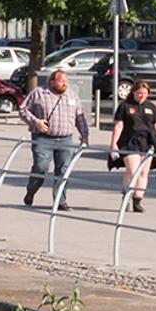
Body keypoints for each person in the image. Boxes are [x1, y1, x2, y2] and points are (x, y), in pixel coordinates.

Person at [21, 67, 92, 210]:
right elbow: (23, 110)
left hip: (65, 140)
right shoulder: (39, 93)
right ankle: (31, 191)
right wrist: (36, 122)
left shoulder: (72, 96)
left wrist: (84, 135)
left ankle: (60, 201)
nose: (64, 84)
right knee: (41, 167)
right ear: (52, 82)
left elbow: (80, 118)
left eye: (66, 81)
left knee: (63, 171)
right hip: (43, 139)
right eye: (61, 81)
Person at [111, 80, 156, 211]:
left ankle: (137, 199)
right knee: (133, 171)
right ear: (133, 92)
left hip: (147, 143)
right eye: (139, 93)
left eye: (145, 93)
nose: (142, 96)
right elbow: (119, 125)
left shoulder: (151, 107)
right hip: (129, 142)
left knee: (144, 173)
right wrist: (113, 143)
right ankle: (126, 195)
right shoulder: (125, 106)